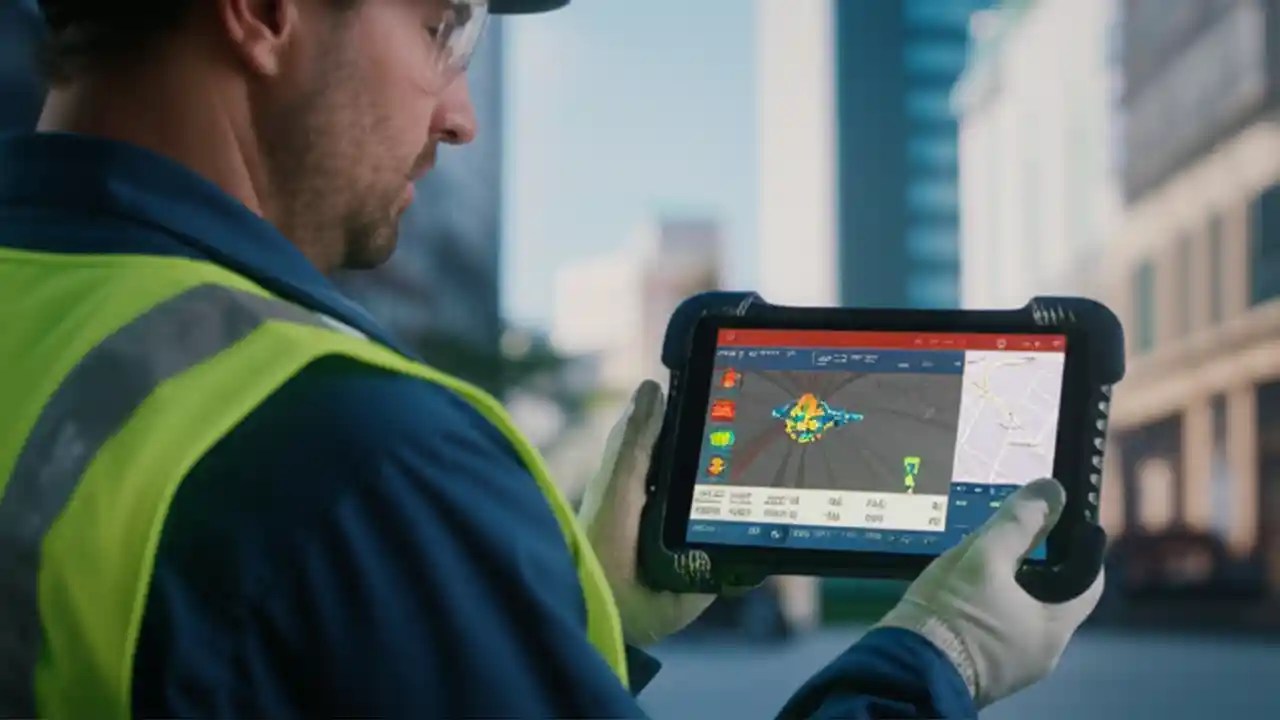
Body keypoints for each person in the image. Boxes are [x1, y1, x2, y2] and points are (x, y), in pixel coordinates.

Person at [0, 0, 1104, 717]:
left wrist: (578, 622)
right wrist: (934, 660)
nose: (460, 117)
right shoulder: (358, 453)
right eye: (441, 28)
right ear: (261, 11)